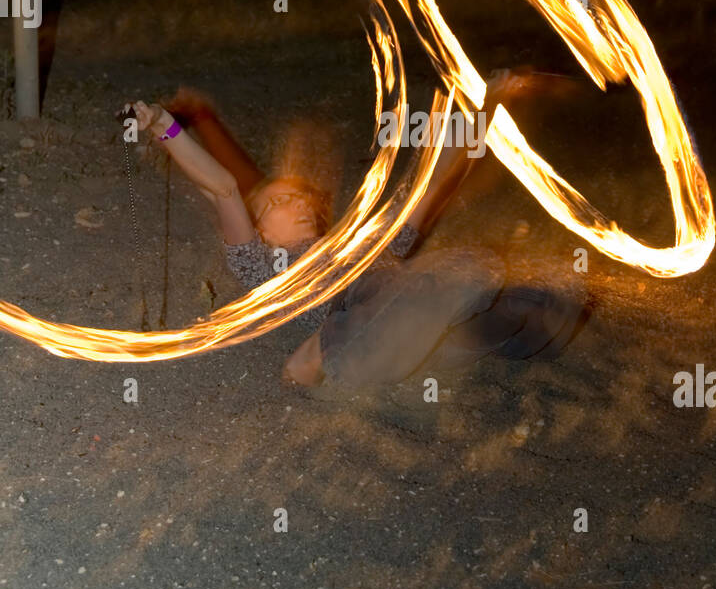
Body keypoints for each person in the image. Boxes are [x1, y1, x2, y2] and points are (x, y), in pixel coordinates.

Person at [128, 71, 585, 389]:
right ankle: (317, 357)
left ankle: (447, 335)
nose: (299, 203)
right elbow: (225, 188)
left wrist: (488, 103)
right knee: (456, 272)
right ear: (260, 229)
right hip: (363, 326)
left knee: (549, 293)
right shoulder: (262, 264)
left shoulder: (361, 244)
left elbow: (434, 177)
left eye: (302, 196)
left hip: (423, 324)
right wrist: (165, 128)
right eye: (279, 202)